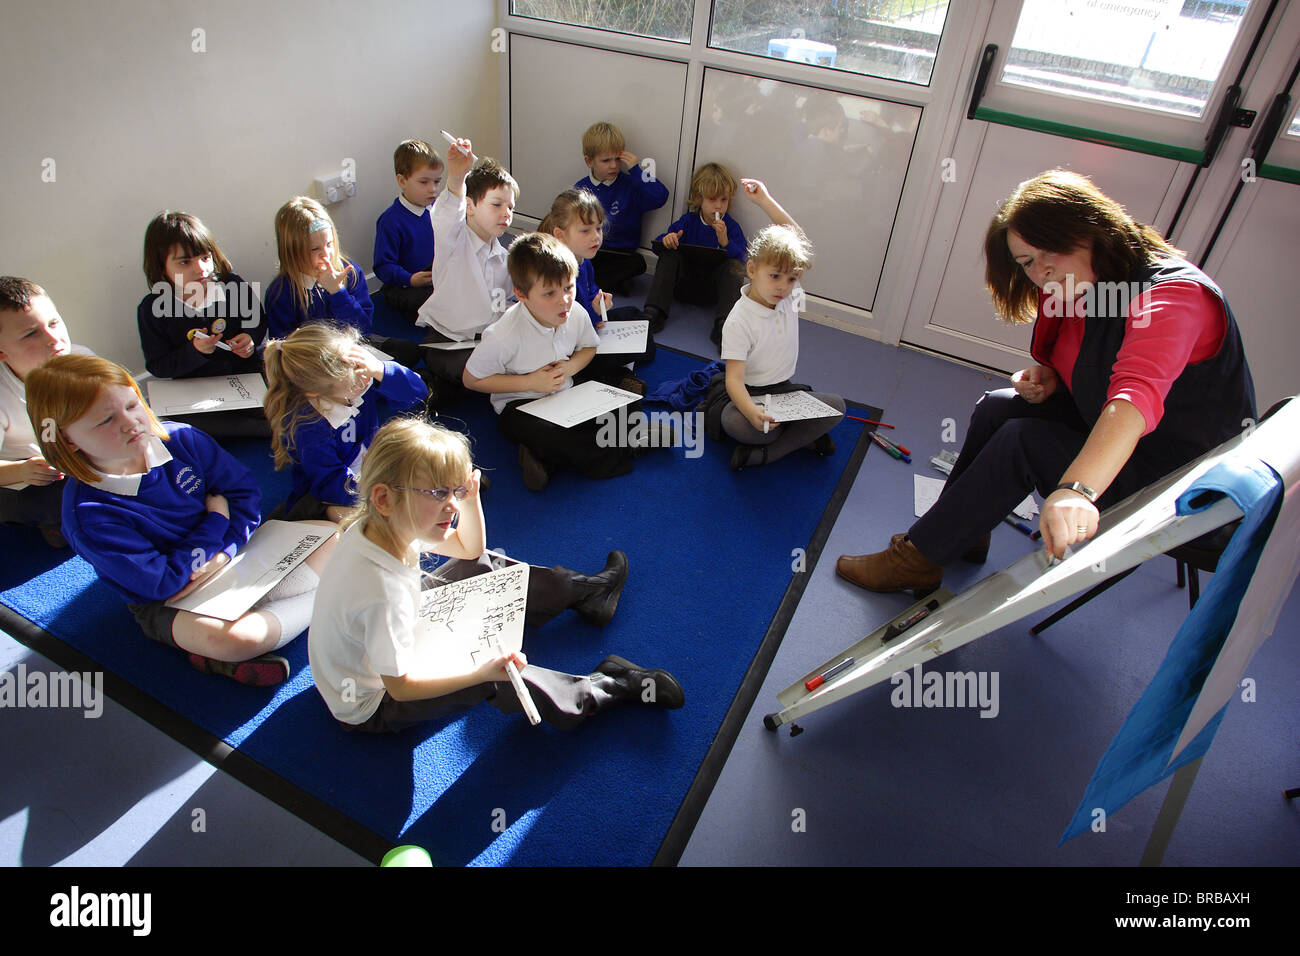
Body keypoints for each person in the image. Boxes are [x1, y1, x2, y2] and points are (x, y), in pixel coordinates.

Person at [836, 168, 1257, 593]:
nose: (1041, 272)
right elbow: (1093, 356)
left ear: (1092, 228)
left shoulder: (1172, 297)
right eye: (1027, 263)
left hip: (1182, 480)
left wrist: (1076, 490)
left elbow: (1133, 399)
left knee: (1022, 440)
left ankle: (918, 560)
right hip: (1124, 440)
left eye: (1049, 251)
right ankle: (962, 531)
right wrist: (1053, 378)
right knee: (998, 407)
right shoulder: (1086, 282)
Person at [308, 417, 684, 733]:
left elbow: (470, 551)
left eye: (457, 490)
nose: (452, 505)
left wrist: (471, 500)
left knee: (487, 566)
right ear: (384, 498)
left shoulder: (380, 525)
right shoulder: (380, 592)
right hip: (374, 705)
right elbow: (402, 688)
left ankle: (587, 593)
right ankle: (602, 689)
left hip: (388, 640)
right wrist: (479, 671)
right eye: (439, 492)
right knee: (494, 673)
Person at [26, 355, 338, 686]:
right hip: (171, 599)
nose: (131, 423)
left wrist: (224, 553)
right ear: (68, 438)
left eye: (132, 405)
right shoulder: (87, 513)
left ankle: (264, 617)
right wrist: (216, 523)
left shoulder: (182, 439)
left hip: (234, 551)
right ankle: (307, 605)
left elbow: (244, 496)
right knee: (236, 640)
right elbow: (160, 582)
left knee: (336, 536)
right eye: (105, 421)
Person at [463, 233, 665, 491]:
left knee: (626, 404)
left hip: (566, 393)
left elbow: (589, 347)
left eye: (569, 287)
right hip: (520, 405)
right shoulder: (503, 334)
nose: (564, 300)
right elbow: (471, 379)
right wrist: (529, 382)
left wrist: (570, 367)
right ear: (521, 294)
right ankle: (629, 446)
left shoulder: (575, 313)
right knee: (553, 435)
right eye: (549, 293)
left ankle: (544, 459)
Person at [712, 183, 846, 470]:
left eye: (791, 279)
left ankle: (772, 451)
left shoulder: (790, 297)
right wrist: (751, 413)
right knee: (735, 422)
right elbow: (733, 381)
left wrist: (765, 200)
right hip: (750, 394)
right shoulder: (739, 320)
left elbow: (797, 238)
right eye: (774, 276)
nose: (783, 287)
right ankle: (801, 437)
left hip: (784, 391)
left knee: (837, 407)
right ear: (752, 269)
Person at [263, 323, 427, 523]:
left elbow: (417, 393)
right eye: (355, 383)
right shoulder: (307, 424)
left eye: (362, 370)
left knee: (428, 453)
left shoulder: (357, 378)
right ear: (315, 393)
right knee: (375, 521)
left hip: (370, 463)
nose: (365, 381)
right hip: (335, 492)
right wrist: (378, 493)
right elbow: (330, 483)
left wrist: (380, 370)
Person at [136, 210, 270, 439]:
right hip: (194, 389)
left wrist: (250, 338)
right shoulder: (152, 309)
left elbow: (258, 320)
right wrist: (194, 352)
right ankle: (261, 429)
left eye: (205, 258)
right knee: (179, 424)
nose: (200, 269)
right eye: (184, 262)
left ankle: (258, 424)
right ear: (161, 267)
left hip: (243, 376)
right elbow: (158, 366)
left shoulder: (231, 285)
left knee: (275, 396)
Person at [264, 196, 423, 370]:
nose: (326, 254)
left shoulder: (349, 272)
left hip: (352, 346)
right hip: (314, 363)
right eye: (314, 249)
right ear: (292, 251)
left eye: (329, 244)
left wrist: (338, 293)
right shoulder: (280, 292)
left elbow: (362, 327)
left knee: (409, 351)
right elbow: (284, 350)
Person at [414, 137, 517, 394]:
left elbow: (504, 304)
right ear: (470, 206)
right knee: (476, 375)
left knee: (512, 363)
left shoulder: (504, 258)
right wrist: (457, 176)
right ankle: (430, 381)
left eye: (511, 207)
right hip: (446, 340)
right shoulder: (454, 241)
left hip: (482, 340)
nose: (506, 213)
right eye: (496, 204)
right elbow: (447, 213)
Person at [0, 278, 91, 546]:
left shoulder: (84, 361)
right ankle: (57, 519)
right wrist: (21, 471)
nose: (54, 339)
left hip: (75, 456)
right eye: (31, 334)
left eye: (53, 323)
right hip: (26, 475)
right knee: (59, 499)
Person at [540, 188, 655, 378]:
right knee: (642, 350)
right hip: (571, 348)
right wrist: (595, 315)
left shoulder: (584, 261)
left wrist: (599, 303)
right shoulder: (556, 276)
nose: (595, 236)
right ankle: (616, 377)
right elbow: (568, 328)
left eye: (599, 228)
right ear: (560, 234)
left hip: (590, 328)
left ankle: (616, 373)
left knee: (636, 316)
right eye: (585, 231)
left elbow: (591, 292)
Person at [639, 162, 747, 346]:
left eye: (724, 200)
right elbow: (658, 246)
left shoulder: (731, 227)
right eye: (713, 200)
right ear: (699, 198)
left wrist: (726, 242)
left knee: (733, 267)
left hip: (713, 292)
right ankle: (654, 312)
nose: (719, 206)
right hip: (683, 286)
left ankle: (724, 326)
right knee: (670, 254)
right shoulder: (688, 222)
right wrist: (668, 239)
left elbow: (742, 261)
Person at [574, 121, 668, 293]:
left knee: (639, 263)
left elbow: (660, 197)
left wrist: (636, 170)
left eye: (618, 159)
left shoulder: (631, 184)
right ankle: (606, 283)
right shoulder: (581, 189)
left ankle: (593, 284)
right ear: (589, 161)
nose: (613, 165)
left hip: (622, 254)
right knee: (576, 259)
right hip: (593, 251)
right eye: (606, 160)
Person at [374, 139, 443, 320]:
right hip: (404, 286)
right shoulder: (390, 221)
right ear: (402, 180)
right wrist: (409, 278)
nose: (433, 189)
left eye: (437, 181)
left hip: (436, 278)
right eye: (424, 182)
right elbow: (383, 267)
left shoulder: (438, 209)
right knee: (438, 300)